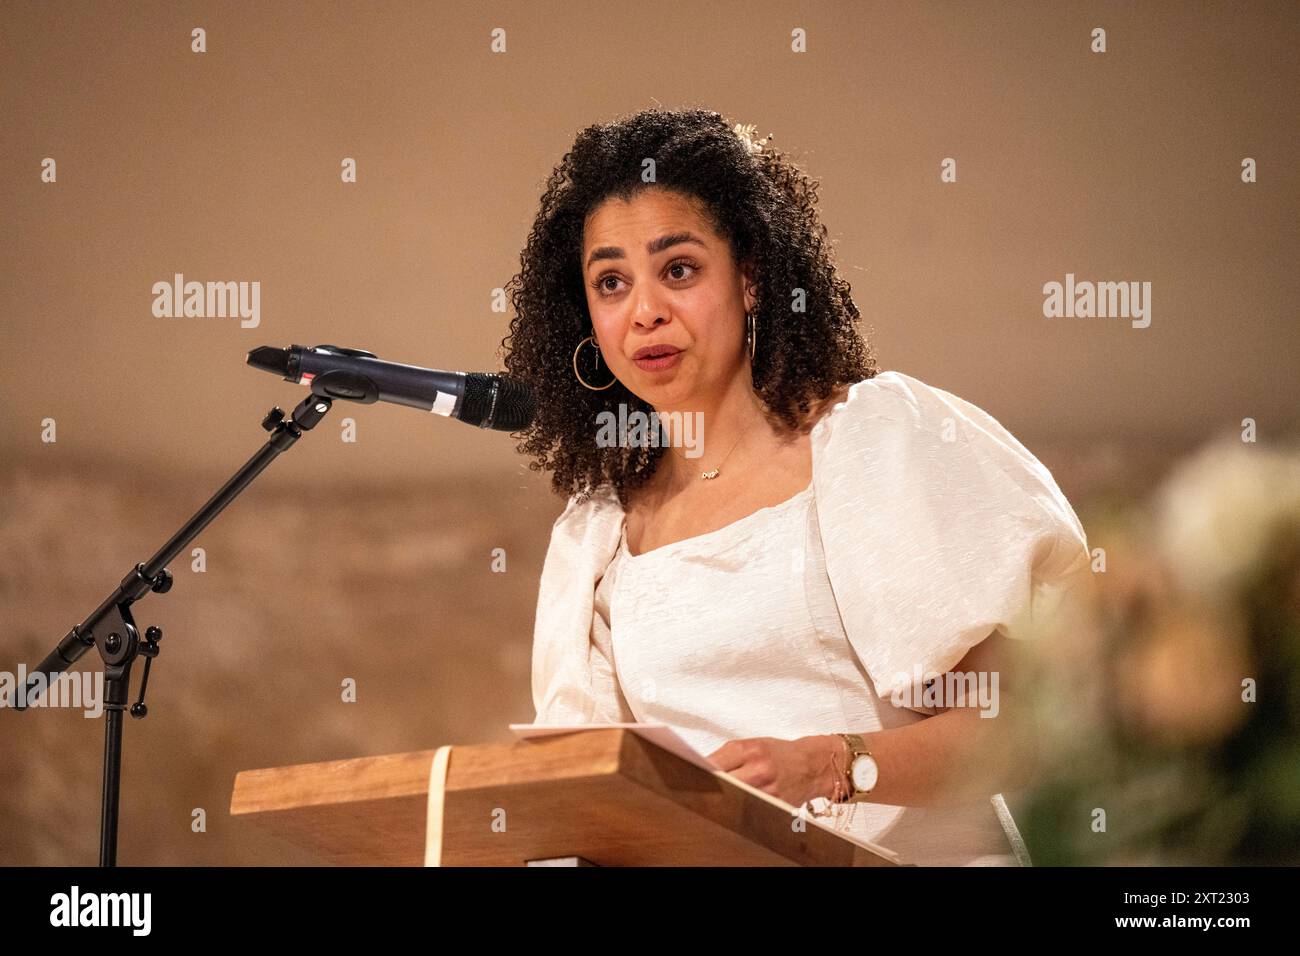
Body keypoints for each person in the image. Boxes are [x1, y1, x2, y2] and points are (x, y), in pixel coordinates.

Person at [499, 108, 1091, 865]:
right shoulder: (595, 536)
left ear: (750, 279)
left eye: (678, 269)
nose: (644, 311)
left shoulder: (876, 439)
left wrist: (835, 764)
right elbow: (589, 797)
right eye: (611, 282)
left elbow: (1028, 722)